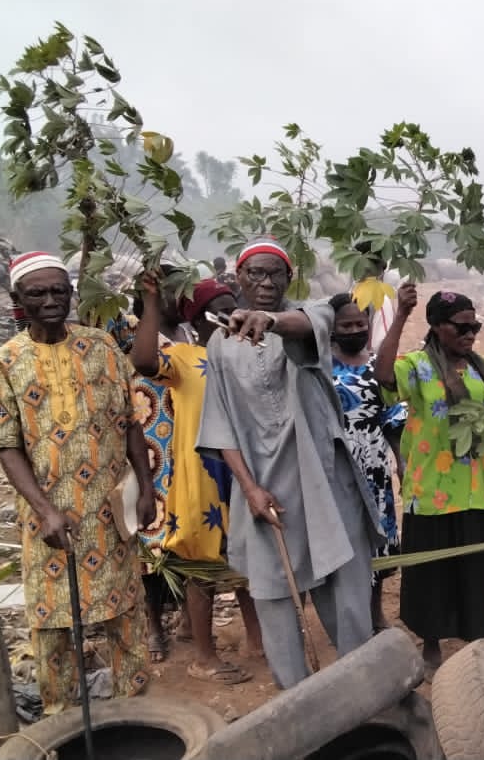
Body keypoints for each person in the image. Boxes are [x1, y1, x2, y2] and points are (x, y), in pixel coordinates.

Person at [196, 238, 381, 689]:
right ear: (237, 278)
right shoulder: (220, 345)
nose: (266, 283)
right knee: (274, 595)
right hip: (262, 488)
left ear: (289, 277)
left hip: (322, 480)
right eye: (255, 274)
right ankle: (294, 703)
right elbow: (221, 427)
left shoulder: (310, 315)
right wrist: (249, 488)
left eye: (275, 274)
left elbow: (305, 325)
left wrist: (271, 321)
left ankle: (367, 694)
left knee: (346, 591)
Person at [0, 251, 155, 715]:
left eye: (60, 290)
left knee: (125, 613)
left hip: (110, 509)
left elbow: (131, 423)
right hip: (49, 518)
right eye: (38, 293)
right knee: (53, 623)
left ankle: (135, 712)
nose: (52, 300)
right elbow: (4, 446)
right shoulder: (4, 364)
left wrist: (147, 486)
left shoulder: (101, 348)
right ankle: (60, 722)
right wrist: (44, 509)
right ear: (18, 299)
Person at [132, 274, 264, 685]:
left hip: (246, 477)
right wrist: (152, 304)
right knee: (200, 567)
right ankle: (203, 657)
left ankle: (258, 642)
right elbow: (143, 362)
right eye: (220, 309)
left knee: (249, 562)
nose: (230, 315)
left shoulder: (249, 354)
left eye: (233, 306)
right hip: (201, 478)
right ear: (199, 315)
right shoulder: (186, 358)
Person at [376, 284, 484, 674]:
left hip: (476, 488)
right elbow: (383, 377)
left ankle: (475, 639)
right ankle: (432, 642)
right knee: (431, 573)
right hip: (433, 489)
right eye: (461, 328)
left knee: (476, 568)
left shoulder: (480, 367)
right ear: (437, 327)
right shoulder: (417, 366)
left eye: (476, 327)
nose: (470, 335)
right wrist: (401, 315)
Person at [327, 292, 407, 634]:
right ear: (331, 329)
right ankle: (345, 617)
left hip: (374, 465)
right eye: (346, 325)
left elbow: (392, 417)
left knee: (377, 537)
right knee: (342, 539)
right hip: (335, 464)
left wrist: (402, 463)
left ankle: (374, 614)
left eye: (361, 323)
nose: (355, 329)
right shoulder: (319, 368)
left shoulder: (379, 365)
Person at [125, 265, 188, 663]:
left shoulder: (190, 334)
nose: (183, 299)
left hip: (185, 452)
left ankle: (185, 621)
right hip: (150, 453)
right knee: (151, 543)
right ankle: (153, 626)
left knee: (186, 538)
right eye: (175, 293)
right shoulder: (138, 337)